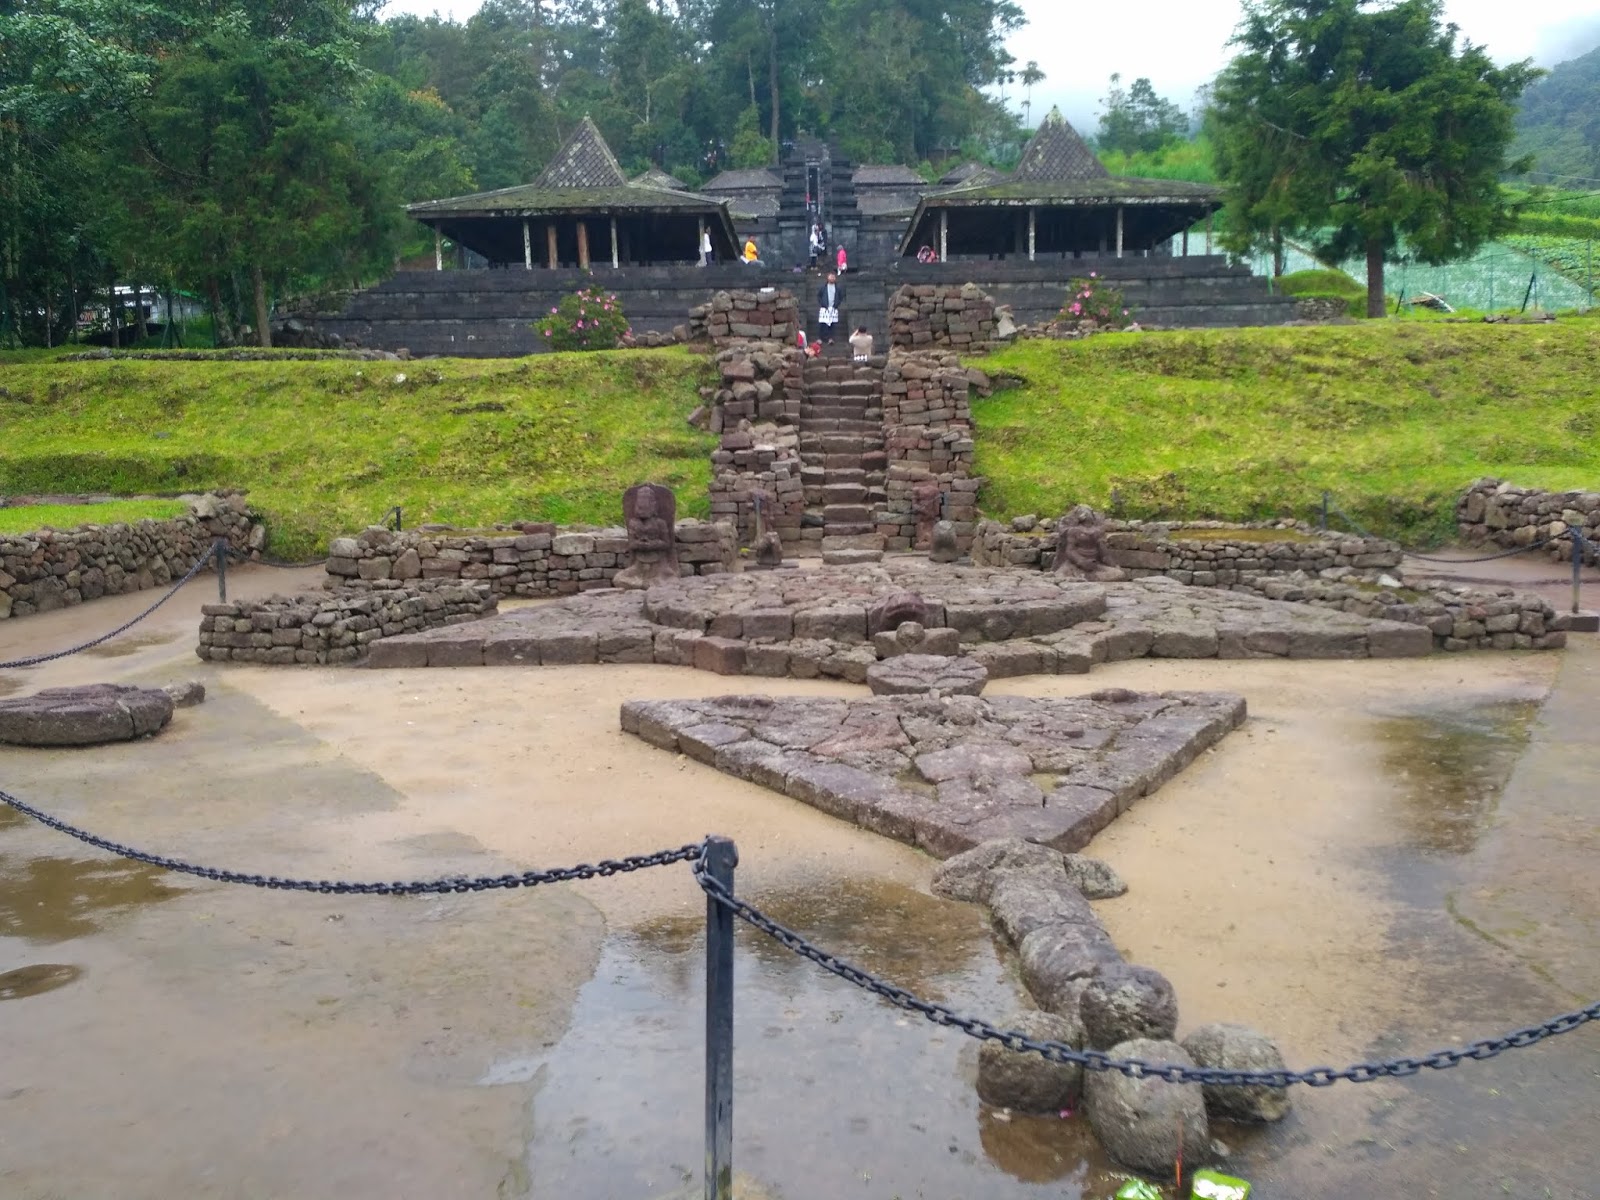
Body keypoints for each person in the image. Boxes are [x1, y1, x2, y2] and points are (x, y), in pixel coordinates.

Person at [816, 272, 844, 346]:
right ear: (827, 278)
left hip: (833, 308)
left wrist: (837, 304)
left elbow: (841, 297)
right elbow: (819, 296)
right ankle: (820, 338)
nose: (832, 278)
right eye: (831, 277)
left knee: (832, 324)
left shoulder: (838, 288)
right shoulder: (823, 287)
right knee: (822, 323)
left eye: (833, 277)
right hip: (825, 308)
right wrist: (822, 303)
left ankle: (830, 338)